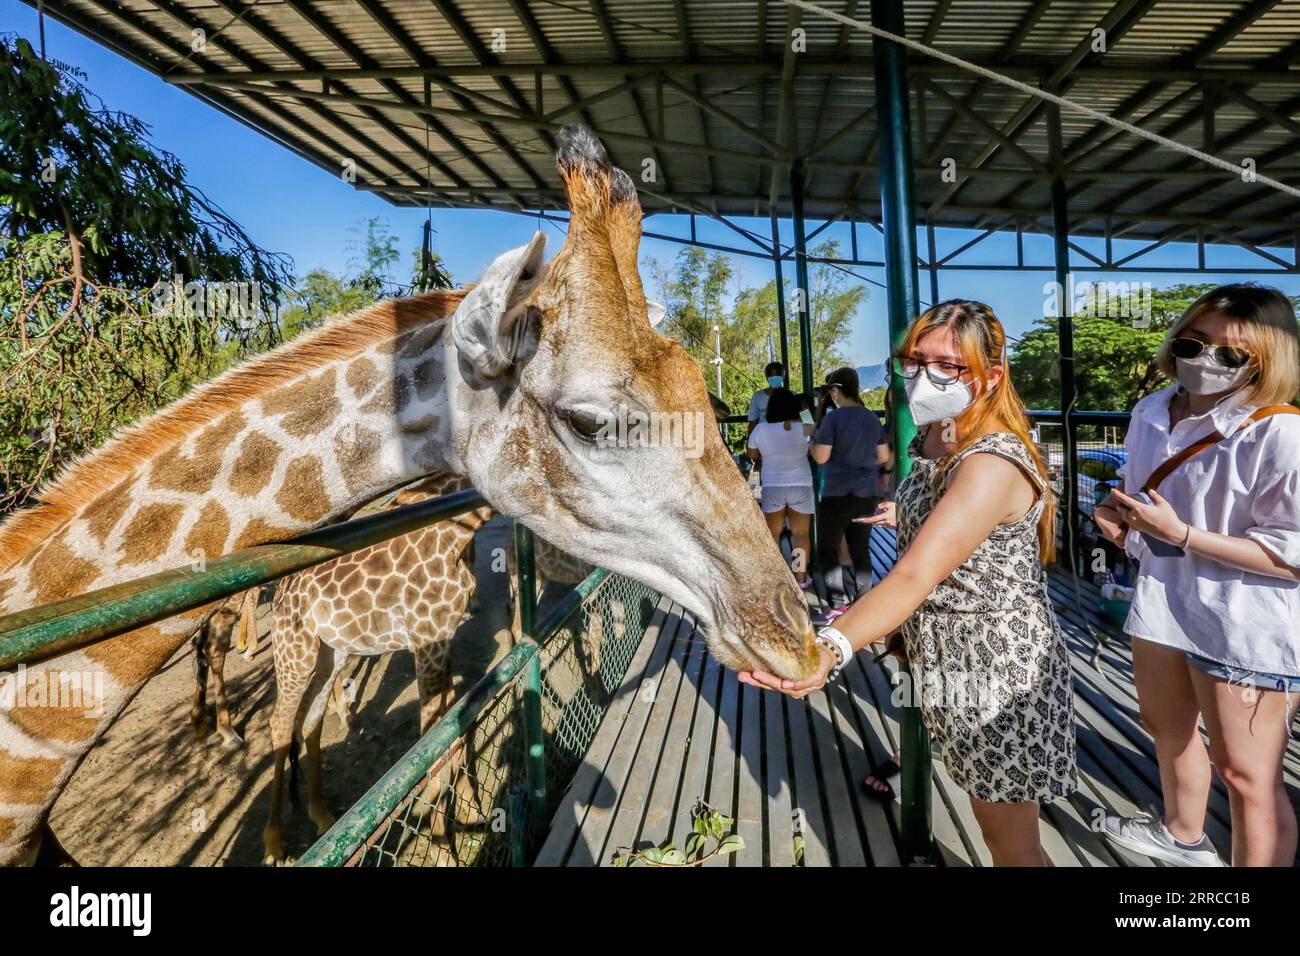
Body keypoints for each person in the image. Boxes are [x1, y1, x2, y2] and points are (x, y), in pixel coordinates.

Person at [740, 300, 1077, 866]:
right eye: (915, 362)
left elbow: (917, 573)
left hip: (997, 668)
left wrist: (831, 646)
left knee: (1012, 847)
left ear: (992, 376)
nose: (926, 378)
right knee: (989, 821)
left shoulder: (990, 459)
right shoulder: (939, 440)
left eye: (949, 366)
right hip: (945, 657)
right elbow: (959, 526)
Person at [1092, 283, 1300, 868]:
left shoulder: (1279, 431)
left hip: (1246, 620)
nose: (1205, 360)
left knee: (1247, 773)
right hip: (1162, 601)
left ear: (1266, 361)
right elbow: (1144, 502)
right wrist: (1124, 522)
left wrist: (1180, 534)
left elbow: (1292, 552)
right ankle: (1183, 835)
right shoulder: (1151, 410)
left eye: (1232, 354)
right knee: (1167, 726)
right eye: (1194, 341)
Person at [810, 367, 890, 622]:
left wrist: (811, 442)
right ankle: (864, 600)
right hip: (867, 492)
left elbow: (821, 457)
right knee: (860, 547)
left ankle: (837, 604)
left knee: (828, 548)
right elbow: (884, 456)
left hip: (837, 493)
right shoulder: (870, 417)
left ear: (835, 391)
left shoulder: (833, 419)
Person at [747, 388, 815, 587]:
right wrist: (801, 409)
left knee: (773, 533)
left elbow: (751, 454)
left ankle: (775, 577)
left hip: (772, 484)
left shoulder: (761, 429)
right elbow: (811, 428)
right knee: (800, 534)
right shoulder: (805, 426)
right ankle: (800, 576)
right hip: (801, 483)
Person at [746, 361, 786, 437]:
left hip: (787, 441)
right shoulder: (757, 397)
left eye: (777, 375)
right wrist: (750, 445)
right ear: (767, 378)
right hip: (764, 441)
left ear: (783, 376)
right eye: (771, 375)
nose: (774, 378)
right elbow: (752, 424)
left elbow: (807, 417)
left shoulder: (794, 396)